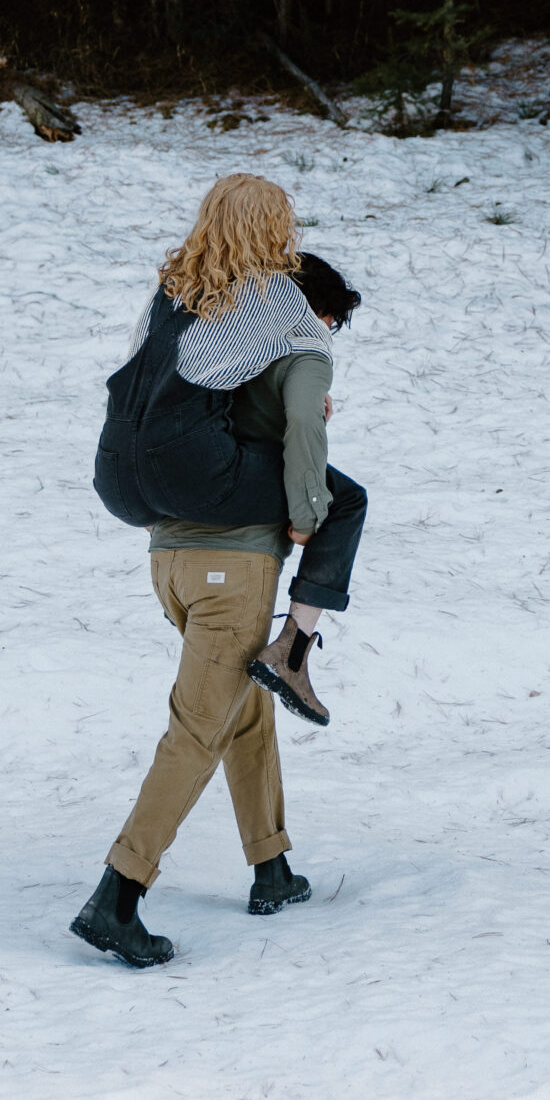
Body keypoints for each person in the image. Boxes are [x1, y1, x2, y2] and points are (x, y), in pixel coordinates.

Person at [70, 174, 367, 968]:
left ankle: (271, 865)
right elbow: (304, 405)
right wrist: (305, 506)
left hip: (155, 530)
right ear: (274, 227)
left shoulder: (175, 293)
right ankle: (117, 896)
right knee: (199, 727)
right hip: (227, 560)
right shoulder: (276, 300)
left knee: (242, 707)